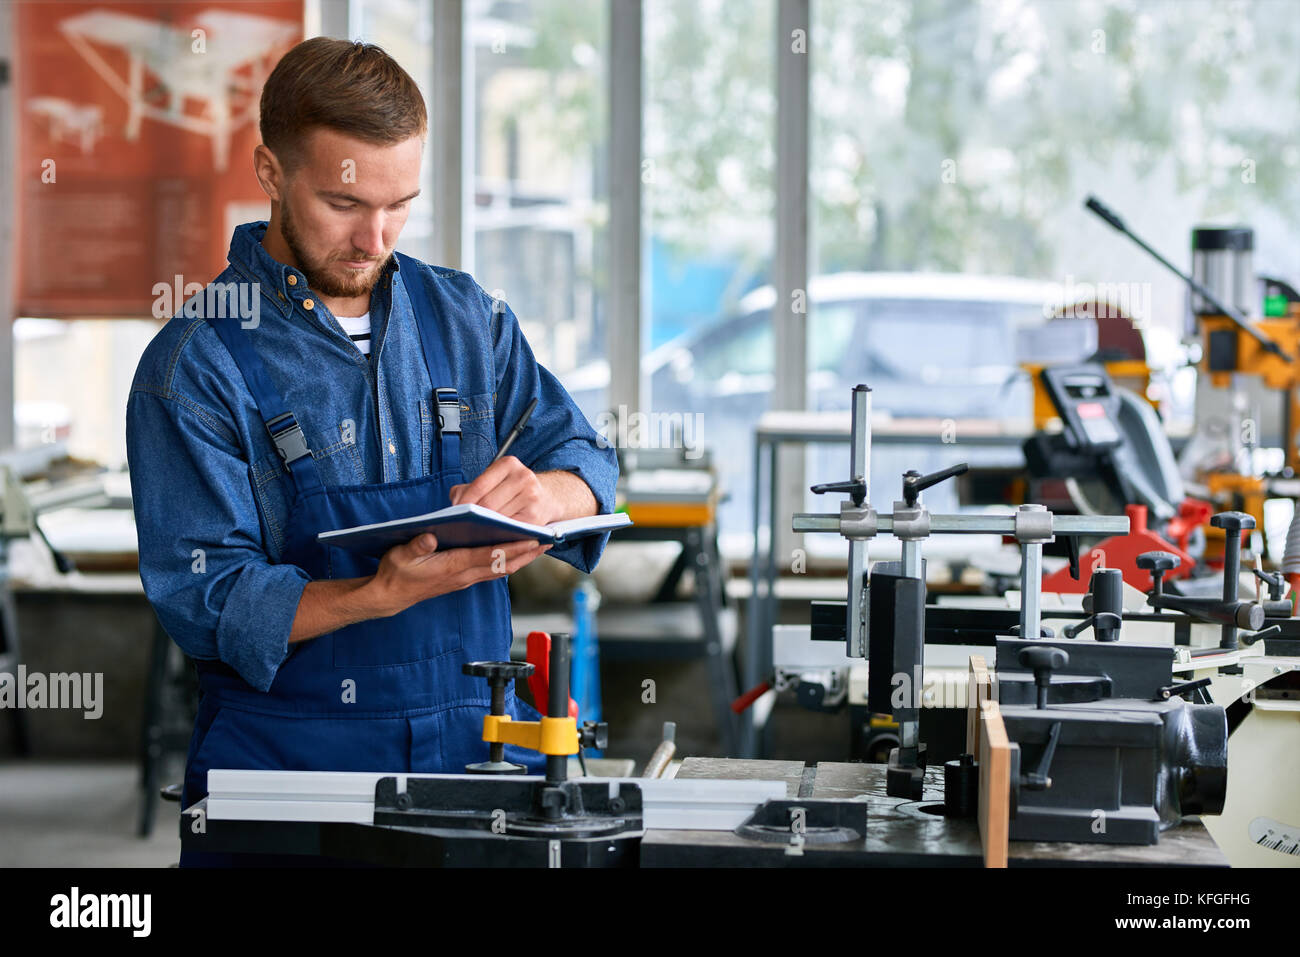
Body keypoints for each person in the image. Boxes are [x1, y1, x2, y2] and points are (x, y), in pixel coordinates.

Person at [125, 37, 617, 863]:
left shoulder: (467, 319)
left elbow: (586, 456)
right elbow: (207, 600)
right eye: (344, 204)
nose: (374, 236)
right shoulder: (194, 365)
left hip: (471, 749)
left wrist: (552, 497)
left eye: (400, 204)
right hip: (285, 771)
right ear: (271, 172)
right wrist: (377, 592)